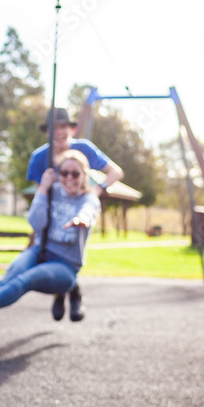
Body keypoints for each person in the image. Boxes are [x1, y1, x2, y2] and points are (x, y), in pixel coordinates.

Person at [0, 149, 101, 335]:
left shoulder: (88, 198)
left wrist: (82, 218)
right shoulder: (52, 192)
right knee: (11, 275)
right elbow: (35, 222)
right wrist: (42, 189)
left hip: (65, 265)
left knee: (26, 279)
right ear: (58, 175)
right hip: (40, 251)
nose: (69, 177)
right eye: (64, 173)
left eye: (75, 173)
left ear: (84, 175)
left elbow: (89, 209)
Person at [26, 107, 123, 322]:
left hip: (79, 211)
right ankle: (62, 292)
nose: (59, 132)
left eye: (63, 127)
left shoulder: (84, 149)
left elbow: (116, 172)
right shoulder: (39, 157)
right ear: (47, 132)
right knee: (48, 253)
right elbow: (39, 192)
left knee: (73, 250)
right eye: (54, 128)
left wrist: (99, 189)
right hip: (53, 214)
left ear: (72, 129)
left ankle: (73, 292)